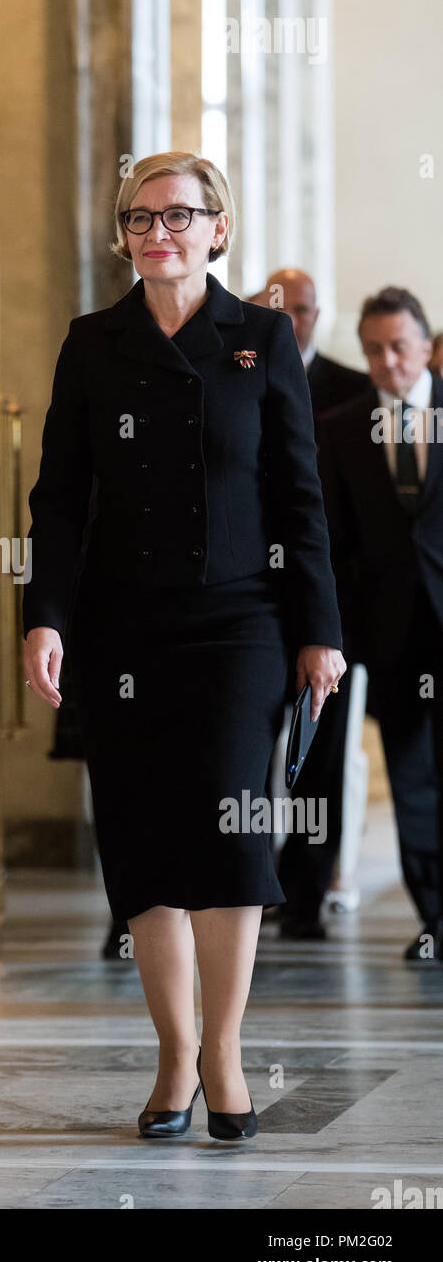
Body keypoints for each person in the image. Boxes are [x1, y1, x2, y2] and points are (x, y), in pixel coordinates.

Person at [22, 151, 345, 1140]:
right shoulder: (93, 344)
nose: (158, 232)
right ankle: (172, 1055)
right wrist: (47, 616)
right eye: (140, 218)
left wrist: (320, 631)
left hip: (242, 619)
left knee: (234, 833)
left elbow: (299, 492)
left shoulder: (260, 338)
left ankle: (224, 1051)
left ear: (218, 229)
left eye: (179, 215)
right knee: (144, 834)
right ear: (122, 234)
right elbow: (60, 500)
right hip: (123, 624)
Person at [317, 286, 443, 962]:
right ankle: (436, 917)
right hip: (393, 635)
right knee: (414, 779)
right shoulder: (340, 427)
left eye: (399, 346)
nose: (388, 361)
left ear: (425, 346)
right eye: (374, 349)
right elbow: (332, 544)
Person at [249, 270, 370, 940]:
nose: (291, 320)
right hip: (250, 597)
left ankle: (304, 895)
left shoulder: (352, 391)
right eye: (277, 307)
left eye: (301, 309)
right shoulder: (232, 368)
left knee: (318, 756)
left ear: (319, 314)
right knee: (246, 752)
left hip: (328, 598)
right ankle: (250, 881)